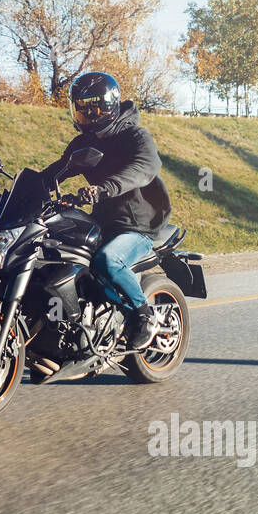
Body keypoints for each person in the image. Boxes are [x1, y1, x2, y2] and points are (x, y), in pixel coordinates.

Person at [40, 71, 172, 350]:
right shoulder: (83, 143)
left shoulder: (135, 136)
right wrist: (26, 187)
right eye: (82, 107)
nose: (87, 113)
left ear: (110, 105)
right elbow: (57, 171)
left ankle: (143, 314)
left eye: (94, 107)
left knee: (108, 260)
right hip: (103, 219)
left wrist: (104, 188)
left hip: (138, 223)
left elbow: (143, 169)